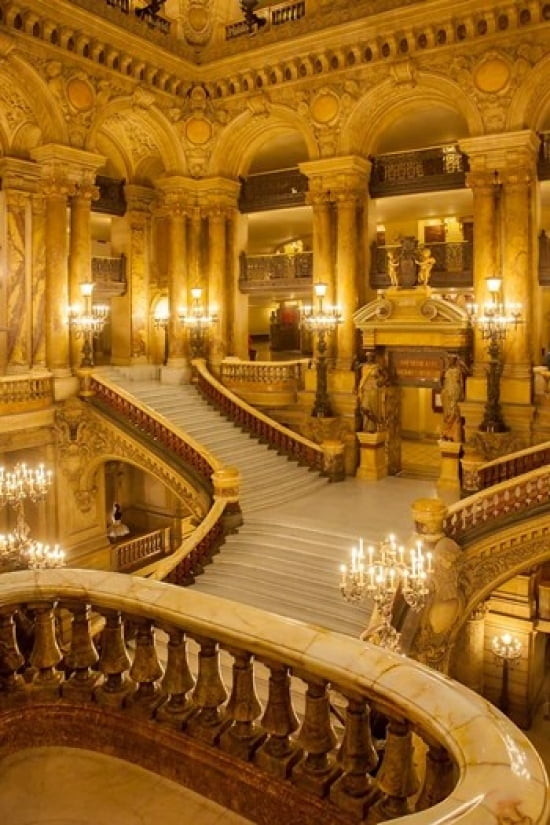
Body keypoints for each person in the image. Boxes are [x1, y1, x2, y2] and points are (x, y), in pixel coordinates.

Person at [440, 354, 468, 442]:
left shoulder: (459, 370)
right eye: (449, 359)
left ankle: (455, 436)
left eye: (452, 359)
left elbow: (467, 374)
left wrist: (463, 365)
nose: (450, 360)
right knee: (447, 414)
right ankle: (447, 435)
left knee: (455, 414)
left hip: (456, 395)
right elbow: (441, 381)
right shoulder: (446, 370)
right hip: (447, 394)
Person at [358, 355, 389, 433]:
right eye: (368, 356)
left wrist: (381, 382)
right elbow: (360, 378)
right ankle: (370, 426)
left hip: (374, 390)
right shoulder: (363, 366)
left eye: (371, 356)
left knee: (373, 409)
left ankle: (374, 427)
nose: (370, 357)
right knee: (364, 408)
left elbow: (386, 376)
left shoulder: (377, 367)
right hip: (365, 390)